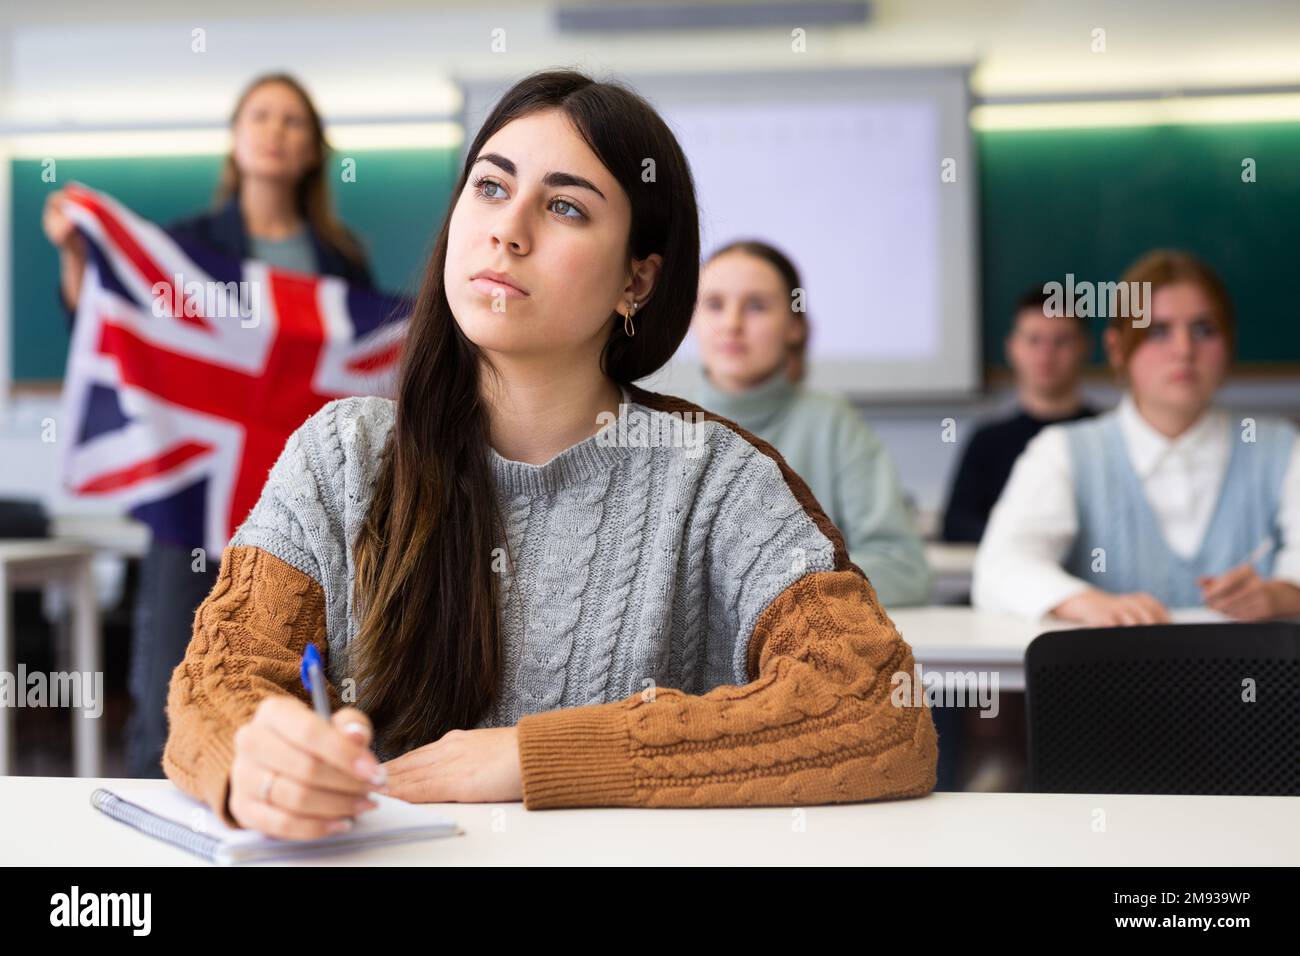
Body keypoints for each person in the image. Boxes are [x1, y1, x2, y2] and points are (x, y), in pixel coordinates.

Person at [162, 69, 939, 839]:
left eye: (564, 206)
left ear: (637, 280)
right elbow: (217, 684)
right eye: (491, 188)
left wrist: (538, 759)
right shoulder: (340, 455)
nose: (509, 229)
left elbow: (876, 707)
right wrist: (253, 760)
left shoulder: (716, 479)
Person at [42, 72, 374, 778]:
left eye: (293, 121)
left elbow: (367, 373)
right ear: (235, 136)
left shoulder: (342, 259)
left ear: (315, 147)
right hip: (193, 497)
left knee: (283, 669)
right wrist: (79, 251)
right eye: (261, 116)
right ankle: (151, 805)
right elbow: (108, 321)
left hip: (296, 511)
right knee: (171, 670)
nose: (276, 131)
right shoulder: (185, 246)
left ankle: (271, 794)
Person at [973, 250, 1300, 625]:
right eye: (1157, 331)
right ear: (1117, 348)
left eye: (1204, 330)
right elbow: (1000, 570)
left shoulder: (1282, 449)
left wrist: (1278, 596)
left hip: (1254, 682)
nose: (1184, 350)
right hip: (1111, 681)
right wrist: (1090, 603)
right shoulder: (1063, 451)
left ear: (1228, 345)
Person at [689, 240, 931, 606]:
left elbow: (905, 571)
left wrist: (775, 583)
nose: (732, 324)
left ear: (794, 327)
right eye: (715, 304)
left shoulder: (832, 422)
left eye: (756, 306)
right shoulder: (653, 419)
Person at [942, 286, 1096, 543]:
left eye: (1061, 341)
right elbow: (956, 525)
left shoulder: (1104, 437)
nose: (1046, 354)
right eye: (1034, 340)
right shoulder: (987, 441)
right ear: (1013, 347)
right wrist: (1027, 543)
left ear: (1083, 347)